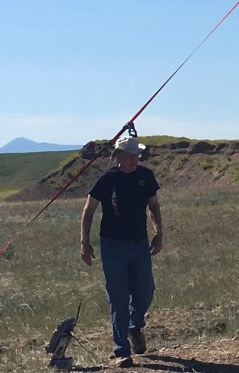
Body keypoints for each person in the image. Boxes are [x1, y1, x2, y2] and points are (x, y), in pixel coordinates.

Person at [80, 134, 164, 368]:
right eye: (129, 155)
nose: (134, 158)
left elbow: (154, 206)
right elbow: (89, 209)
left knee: (145, 289)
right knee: (117, 296)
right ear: (119, 156)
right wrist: (84, 242)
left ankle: (133, 325)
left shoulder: (146, 177)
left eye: (137, 154)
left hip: (139, 243)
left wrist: (159, 232)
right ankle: (121, 349)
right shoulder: (108, 179)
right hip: (112, 244)